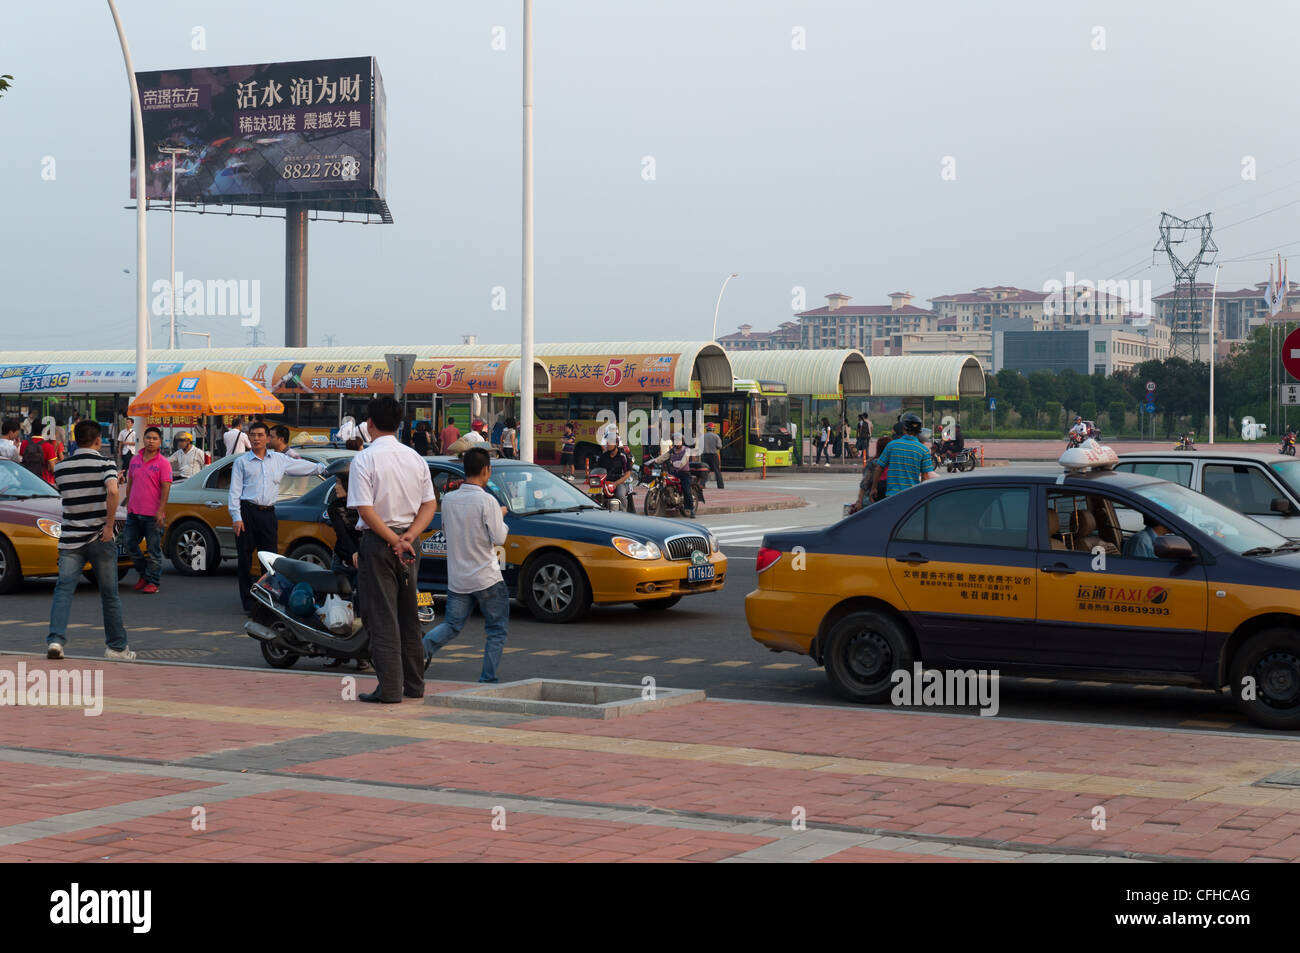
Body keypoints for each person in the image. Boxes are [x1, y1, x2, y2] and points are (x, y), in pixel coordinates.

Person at [347, 397, 438, 703]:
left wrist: (392, 540)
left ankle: (389, 689)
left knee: (383, 617)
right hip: (411, 544)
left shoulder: (364, 459)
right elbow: (430, 503)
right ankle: (414, 686)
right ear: (399, 425)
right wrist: (409, 537)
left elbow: (365, 509)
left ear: (369, 424)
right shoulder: (415, 458)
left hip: (379, 543)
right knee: (409, 617)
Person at [46, 419, 135, 661]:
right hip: (100, 537)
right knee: (109, 594)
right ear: (98, 440)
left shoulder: (62, 468)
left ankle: (55, 641)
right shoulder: (105, 463)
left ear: (75, 440)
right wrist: (108, 525)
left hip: (70, 539)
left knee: (63, 590)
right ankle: (116, 648)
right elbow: (113, 491)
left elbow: (72, 494)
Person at [422, 447, 510, 683]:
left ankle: (417, 653)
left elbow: (447, 530)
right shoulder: (487, 501)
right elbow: (499, 538)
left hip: (458, 578)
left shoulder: (449, 499)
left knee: (451, 625)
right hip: (486, 577)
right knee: (496, 630)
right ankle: (487, 678)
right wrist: (500, 515)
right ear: (485, 470)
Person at [229, 421, 327, 614]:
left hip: (268, 514)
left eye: (260, 435)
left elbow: (302, 467)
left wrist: (323, 468)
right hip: (246, 513)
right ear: (249, 438)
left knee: (271, 559)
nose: (256, 438)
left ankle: (269, 598)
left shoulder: (279, 460)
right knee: (245, 560)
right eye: (253, 435)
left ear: (267, 438)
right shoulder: (241, 462)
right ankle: (249, 603)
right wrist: (236, 517)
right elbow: (234, 492)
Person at [324, 459, 370, 673]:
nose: (336, 486)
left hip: (363, 562)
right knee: (338, 609)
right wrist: (353, 552)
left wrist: (360, 554)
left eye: (338, 482)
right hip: (342, 561)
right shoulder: (334, 507)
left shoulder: (365, 504)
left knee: (360, 610)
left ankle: (361, 656)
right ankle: (337, 654)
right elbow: (342, 535)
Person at [120, 426, 171, 594]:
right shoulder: (135, 460)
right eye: (148, 437)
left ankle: (153, 582)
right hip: (134, 512)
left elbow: (165, 489)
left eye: (155, 438)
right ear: (143, 439)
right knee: (129, 544)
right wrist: (128, 504)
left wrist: (160, 511)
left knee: (154, 550)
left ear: (160, 442)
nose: (151, 441)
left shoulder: (163, 463)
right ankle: (144, 574)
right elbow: (130, 483)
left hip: (153, 514)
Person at [870, 413, 934, 498]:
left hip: (892, 496)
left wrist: (874, 488)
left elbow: (879, 468)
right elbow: (925, 476)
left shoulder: (891, 445)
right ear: (919, 431)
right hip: (912, 496)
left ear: (904, 428)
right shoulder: (924, 450)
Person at [594, 433, 634, 509]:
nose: (607, 444)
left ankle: (624, 513)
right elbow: (597, 470)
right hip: (605, 482)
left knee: (620, 494)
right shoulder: (603, 456)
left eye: (610, 442)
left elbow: (627, 474)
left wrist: (615, 484)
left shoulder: (623, 456)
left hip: (620, 482)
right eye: (607, 442)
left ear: (616, 443)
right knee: (594, 495)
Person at [699, 422, 725, 489]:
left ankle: (702, 485)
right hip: (713, 456)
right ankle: (720, 486)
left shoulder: (702, 437)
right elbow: (719, 446)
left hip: (704, 456)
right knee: (717, 471)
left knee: (704, 471)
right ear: (713, 429)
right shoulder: (716, 436)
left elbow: (700, 447)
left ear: (706, 429)